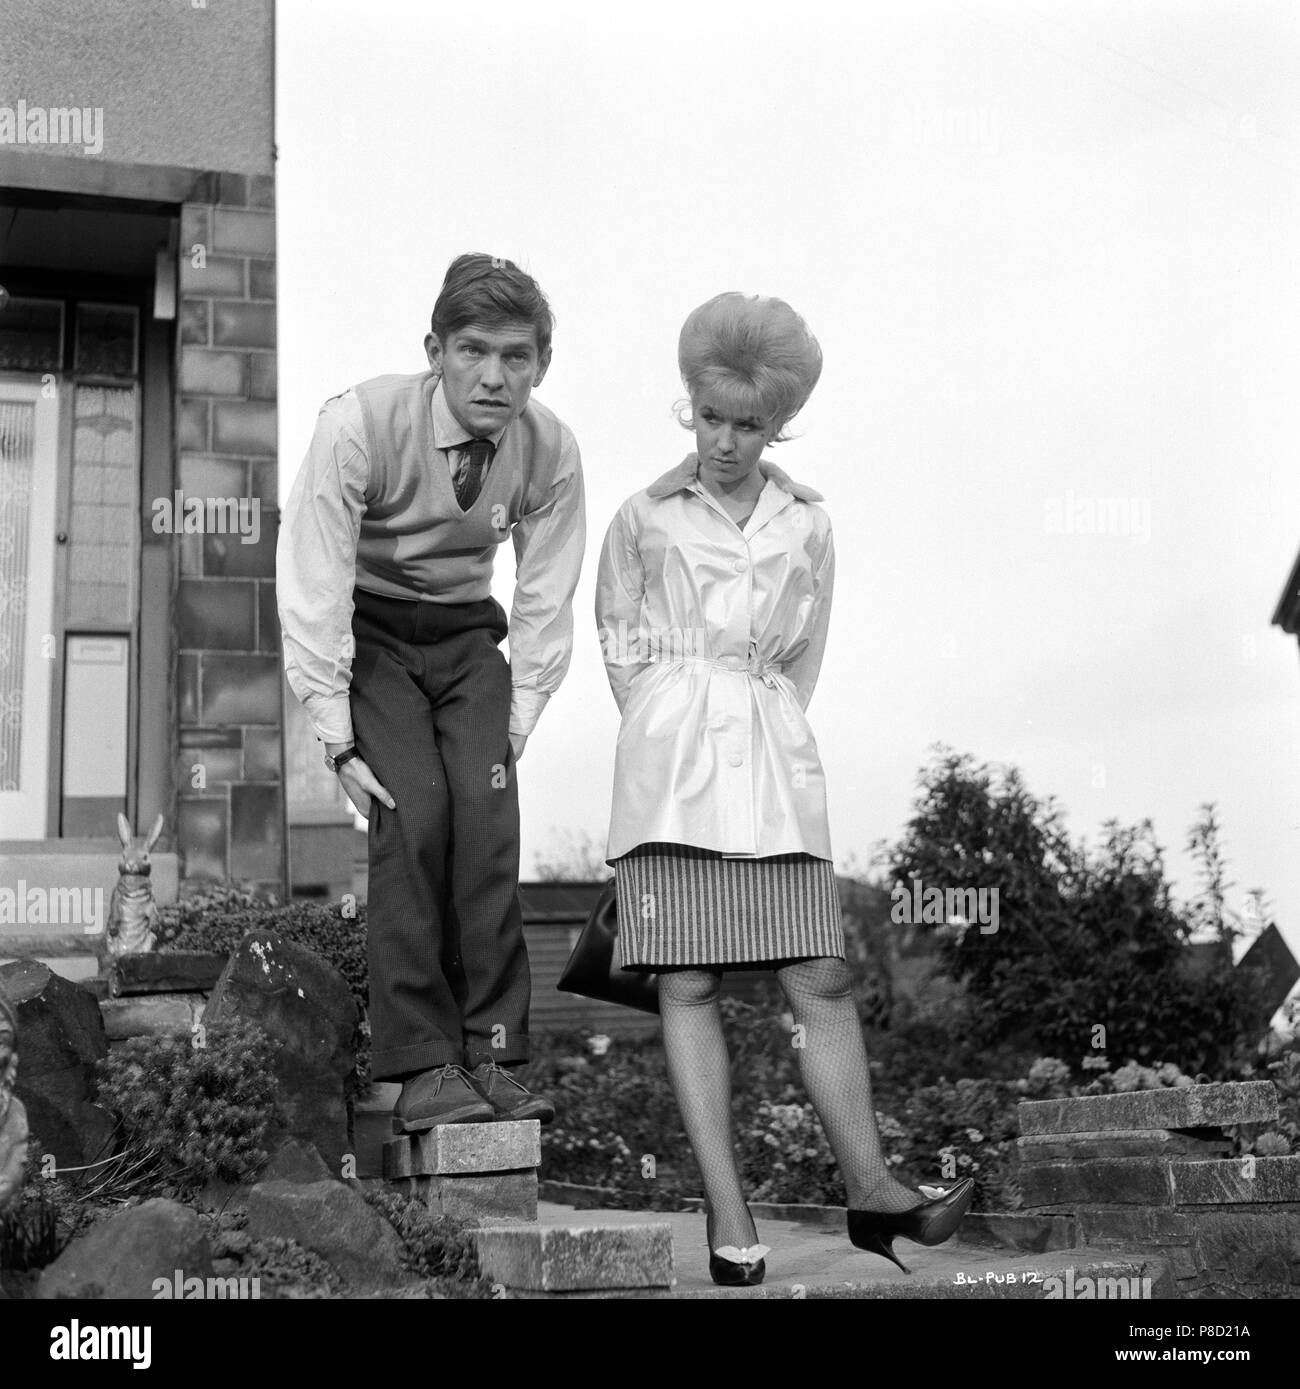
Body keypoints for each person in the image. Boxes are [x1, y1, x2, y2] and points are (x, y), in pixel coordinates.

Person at [595, 291, 973, 1285]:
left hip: (770, 754)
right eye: (710, 416)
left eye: (747, 423)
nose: (724, 440)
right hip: (671, 770)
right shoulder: (642, 516)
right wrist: (665, 715)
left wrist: (755, 710)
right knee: (687, 980)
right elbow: (621, 647)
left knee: (821, 974)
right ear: (691, 405)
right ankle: (728, 1210)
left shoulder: (808, 524)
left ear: (778, 421)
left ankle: (871, 1189)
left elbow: (803, 655)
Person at [279, 253, 585, 1133]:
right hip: (370, 635)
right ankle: (421, 1066)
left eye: (518, 356)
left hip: (461, 638)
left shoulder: (551, 450)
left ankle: (494, 1053)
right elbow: (314, 581)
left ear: (542, 362)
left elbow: (545, 594)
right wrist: (336, 736)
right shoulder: (360, 422)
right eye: (474, 351)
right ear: (436, 351)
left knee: (485, 821)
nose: (495, 376)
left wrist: (515, 723)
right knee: (415, 814)